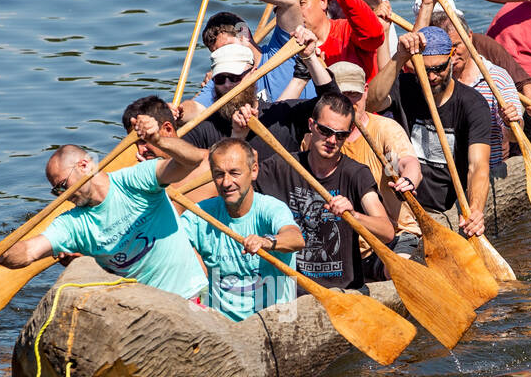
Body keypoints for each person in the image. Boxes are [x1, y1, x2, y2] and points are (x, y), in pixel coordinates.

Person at [0, 115, 207, 302]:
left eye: (63, 185)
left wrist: (159, 141)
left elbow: (193, 160)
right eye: (56, 191)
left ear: (84, 165)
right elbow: (30, 251)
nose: (63, 196)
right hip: (143, 313)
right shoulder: (73, 224)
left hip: (190, 295)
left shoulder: (135, 180)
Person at [254, 92, 395, 290]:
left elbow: (387, 231)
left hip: (343, 289)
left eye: (340, 135)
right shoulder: (282, 166)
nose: (332, 140)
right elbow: (236, 183)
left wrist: (354, 215)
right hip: (292, 290)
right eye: (325, 130)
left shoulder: (356, 174)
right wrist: (237, 134)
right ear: (311, 125)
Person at [365, 26, 493, 237]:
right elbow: (372, 103)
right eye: (425, 70)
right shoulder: (405, 86)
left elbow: (478, 165)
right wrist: (400, 56)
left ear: (451, 59)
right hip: (396, 198)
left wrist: (476, 209)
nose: (432, 76)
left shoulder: (472, 104)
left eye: (440, 68)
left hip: (441, 208)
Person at [178, 138, 305, 321]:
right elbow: (170, 242)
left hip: (275, 324)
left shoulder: (271, 209)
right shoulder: (201, 214)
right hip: (220, 327)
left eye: (234, 173)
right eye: (219, 174)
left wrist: (267, 241)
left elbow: (296, 239)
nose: (226, 182)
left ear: (254, 171)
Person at [325, 61, 424, 281]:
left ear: (366, 92)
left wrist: (409, 180)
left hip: (396, 236)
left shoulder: (385, 129)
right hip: (348, 245)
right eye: (341, 96)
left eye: (355, 95)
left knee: (399, 275)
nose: (349, 103)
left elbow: (408, 162)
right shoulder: (320, 139)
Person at [182, 26, 338, 162]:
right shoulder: (205, 127)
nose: (228, 84)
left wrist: (310, 58)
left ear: (253, 74)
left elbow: (335, 107)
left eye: (235, 77)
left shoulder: (280, 115)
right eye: (221, 79)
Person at [178, 0, 306, 121]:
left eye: (227, 48)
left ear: (243, 32)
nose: (226, 58)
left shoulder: (282, 50)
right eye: (218, 54)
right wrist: (177, 112)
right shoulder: (223, 79)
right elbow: (196, 108)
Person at [416, 0, 523, 165]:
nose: (452, 54)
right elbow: (413, 58)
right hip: (442, 171)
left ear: (469, 37)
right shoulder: (432, 77)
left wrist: (509, 121)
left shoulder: (496, 78)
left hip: (486, 168)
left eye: (456, 45)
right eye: (445, 49)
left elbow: (514, 136)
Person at [283, 0, 385, 80]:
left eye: (301, 4)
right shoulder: (284, 48)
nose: (295, 12)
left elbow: (374, 36)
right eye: (288, 8)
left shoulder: (348, 31)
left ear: (322, 1)